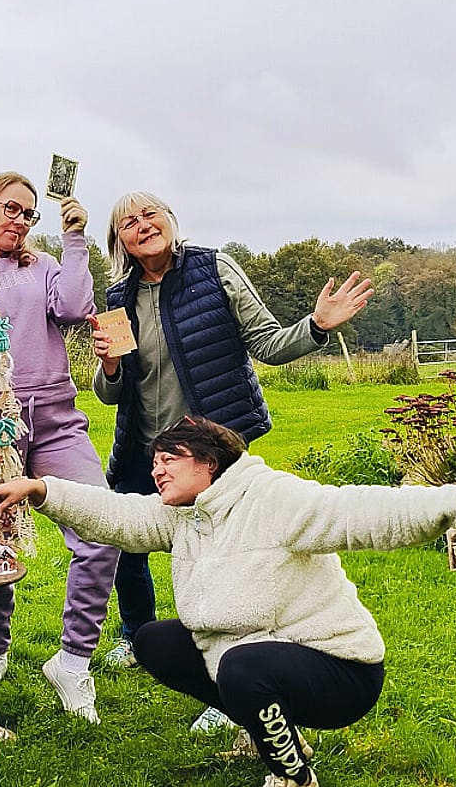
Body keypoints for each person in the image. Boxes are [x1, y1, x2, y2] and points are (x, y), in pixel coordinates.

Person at [0, 416, 456, 787]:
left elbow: (362, 511)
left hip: (338, 670)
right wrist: (40, 489)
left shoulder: (273, 500)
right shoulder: (186, 516)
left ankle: (292, 775)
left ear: (208, 463)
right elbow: (121, 515)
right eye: (154, 460)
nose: (156, 468)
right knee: (152, 641)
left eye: (170, 457)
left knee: (243, 667)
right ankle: (263, 724)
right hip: (261, 660)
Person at [91, 192, 373, 731]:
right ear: (119, 241)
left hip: (210, 451)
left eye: (151, 213)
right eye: (129, 221)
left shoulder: (214, 269)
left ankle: (233, 680)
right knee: (128, 541)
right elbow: (110, 393)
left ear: (171, 221)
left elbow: (266, 342)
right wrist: (108, 367)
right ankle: (137, 635)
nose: (142, 224)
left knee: (223, 564)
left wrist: (316, 325)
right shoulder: (118, 294)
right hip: (144, 448)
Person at [0, 172, 118, 723]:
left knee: (100, 526)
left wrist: (74, 237)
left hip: (56, 419)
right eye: (11, 209)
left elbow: (79, 306)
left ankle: (74, 660)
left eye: (29, 214)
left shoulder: (44, 267)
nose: (19, 221)